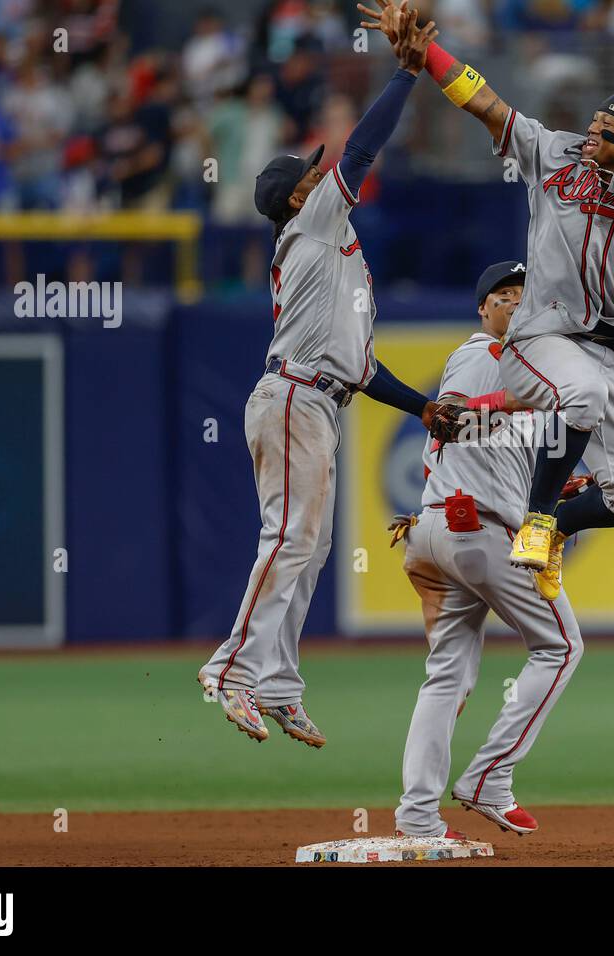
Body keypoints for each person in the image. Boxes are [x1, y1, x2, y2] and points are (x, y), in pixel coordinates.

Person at [361, 0, 614, 603]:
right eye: (594, 121)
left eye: (608, 129)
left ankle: (558, 526)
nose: (594, 132)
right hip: (544, 337)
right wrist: (425, 54)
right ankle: (537, 519)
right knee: (581, 394)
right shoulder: (553, 151)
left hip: (612, 354)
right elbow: (482, 100)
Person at [198, 10, 459, 747]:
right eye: (311, 173)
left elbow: (364, 369)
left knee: (306, 547)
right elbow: (364, 149)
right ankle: (230, 670)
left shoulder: (333, 250)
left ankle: (277, 682)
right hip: (292, 397)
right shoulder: (310, 224)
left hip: (319, 397)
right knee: (288, 538)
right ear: (294, 198)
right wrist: (408, 71)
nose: (323, 172)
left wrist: (422, 409)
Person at [392, 260, 585, 839]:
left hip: (440, 529)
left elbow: (483, 445)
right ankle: (489, 780)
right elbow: (451, 421)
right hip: (471, 532)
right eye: (504, 296)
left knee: (447, 676)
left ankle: (418, 818)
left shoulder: (517, 379)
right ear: (483, 308)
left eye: (524, 298)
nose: (514, 305)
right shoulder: (484, 355)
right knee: (560, 647)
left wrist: (557, 485)